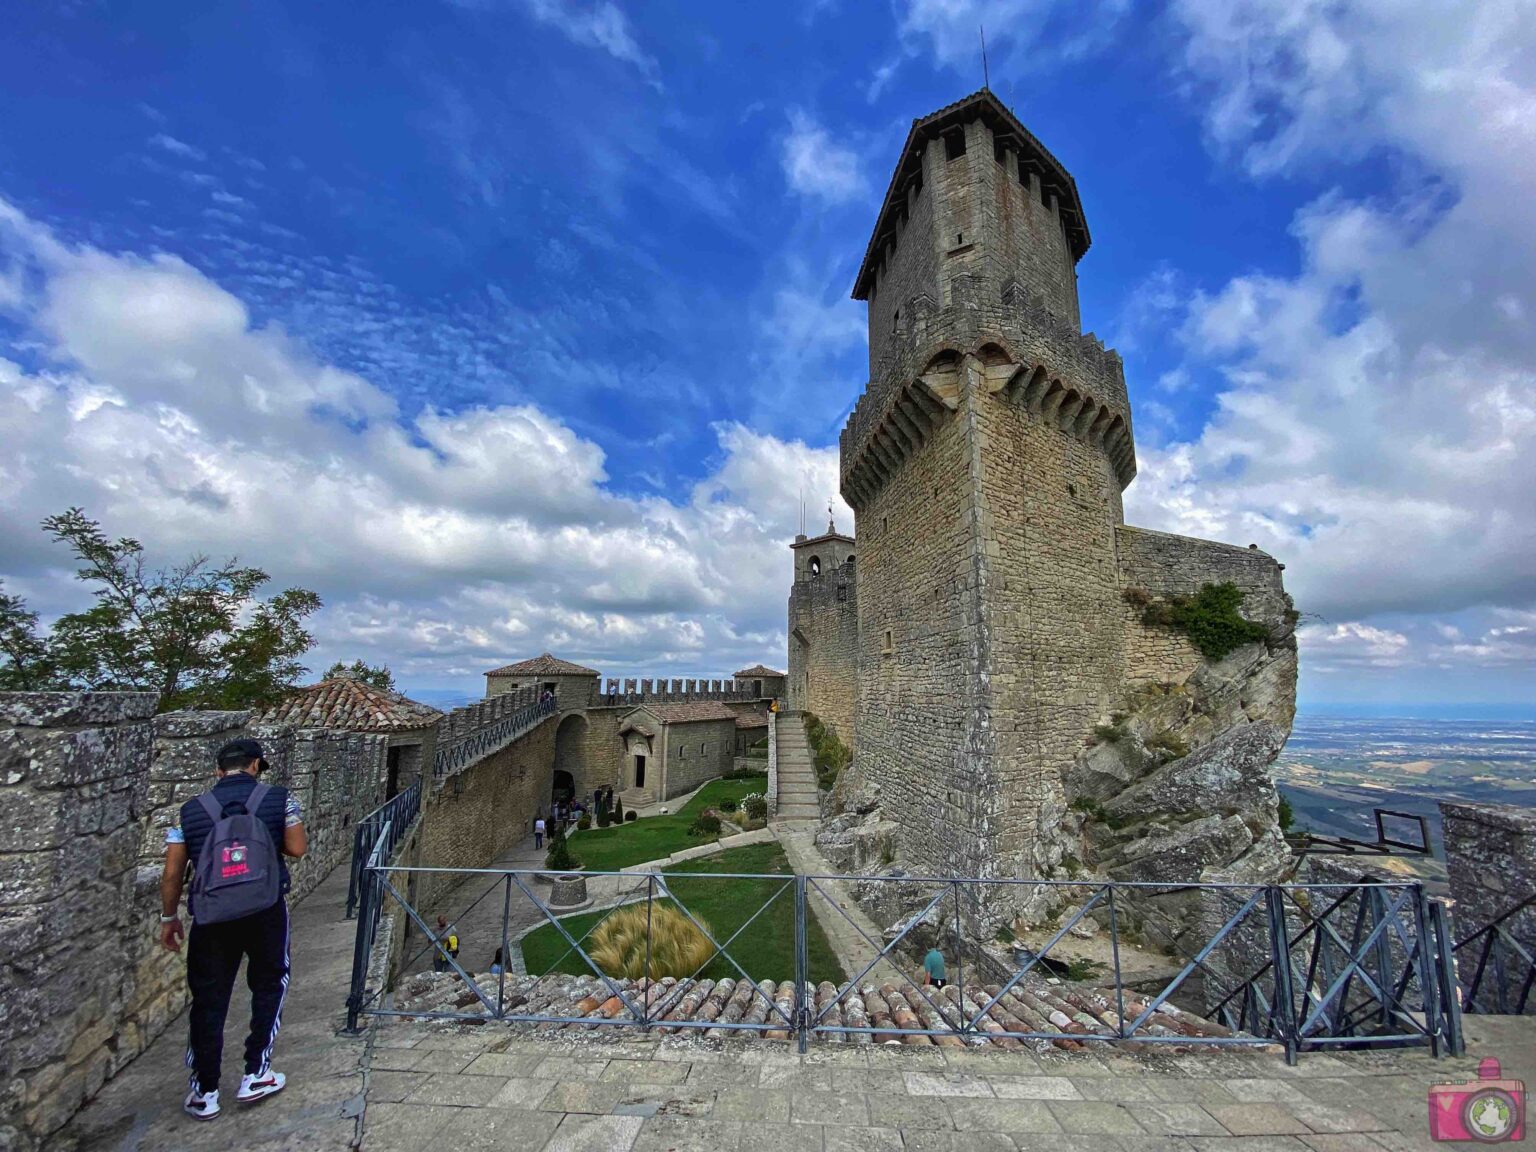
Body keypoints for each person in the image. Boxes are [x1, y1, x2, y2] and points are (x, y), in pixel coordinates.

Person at [160, 737, 307, 1122]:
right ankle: (256, 1072)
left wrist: (168, 917)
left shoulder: (188, 811)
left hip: (211, 918)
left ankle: (204, 1090)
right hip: (265, 909)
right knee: (270, 983)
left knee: (208, 998)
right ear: (256, 765)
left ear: (218, 770)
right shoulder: (280, 800)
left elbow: (173, 873)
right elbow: (297, 848)